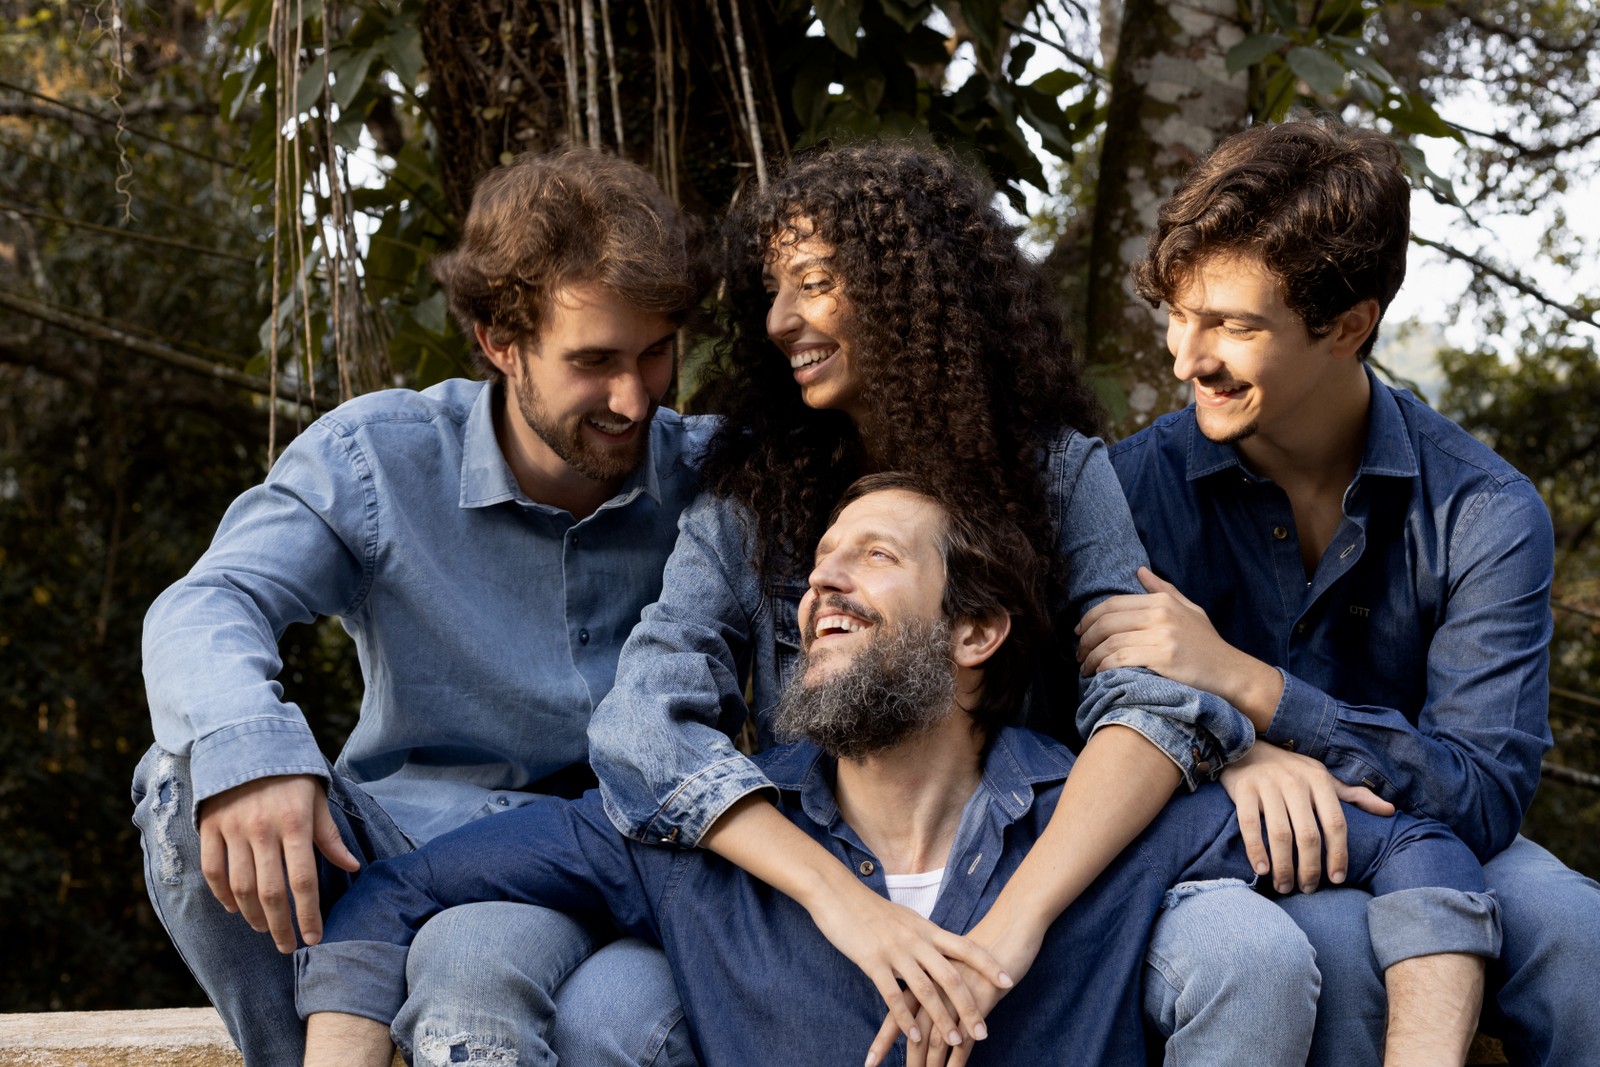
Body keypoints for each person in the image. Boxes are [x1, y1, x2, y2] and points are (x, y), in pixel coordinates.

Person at [296, 475, 1501, 1067]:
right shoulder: (692, 840)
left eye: (869, 557)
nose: (820, 584)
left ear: (976, 633)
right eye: (814, 566)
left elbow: (1423, 849)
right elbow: (387, 900)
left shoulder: (1108, 821)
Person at [131, 147, 712, 1066]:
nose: (635, 398)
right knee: (184, 777)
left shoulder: (717, 479)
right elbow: (210, 602)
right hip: (396, 842)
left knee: (609, 1022)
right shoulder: (379, 456)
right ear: (498, 340)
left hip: (616, 869)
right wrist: (252, 750)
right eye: (594, 362)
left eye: (656, 353)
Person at [1077, 119, 1600, 1065]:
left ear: (1349, 325)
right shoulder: (1125, 489)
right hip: (1225, 831)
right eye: (1178, 313)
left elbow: (1480, 796)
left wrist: (1256, 687)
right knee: (1336, 955)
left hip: (1441, 832)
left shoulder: (1485, 509)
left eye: (1233, 325)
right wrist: (1234, 754)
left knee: (1578, 932)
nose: (1186, 358)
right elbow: (1066, 724)